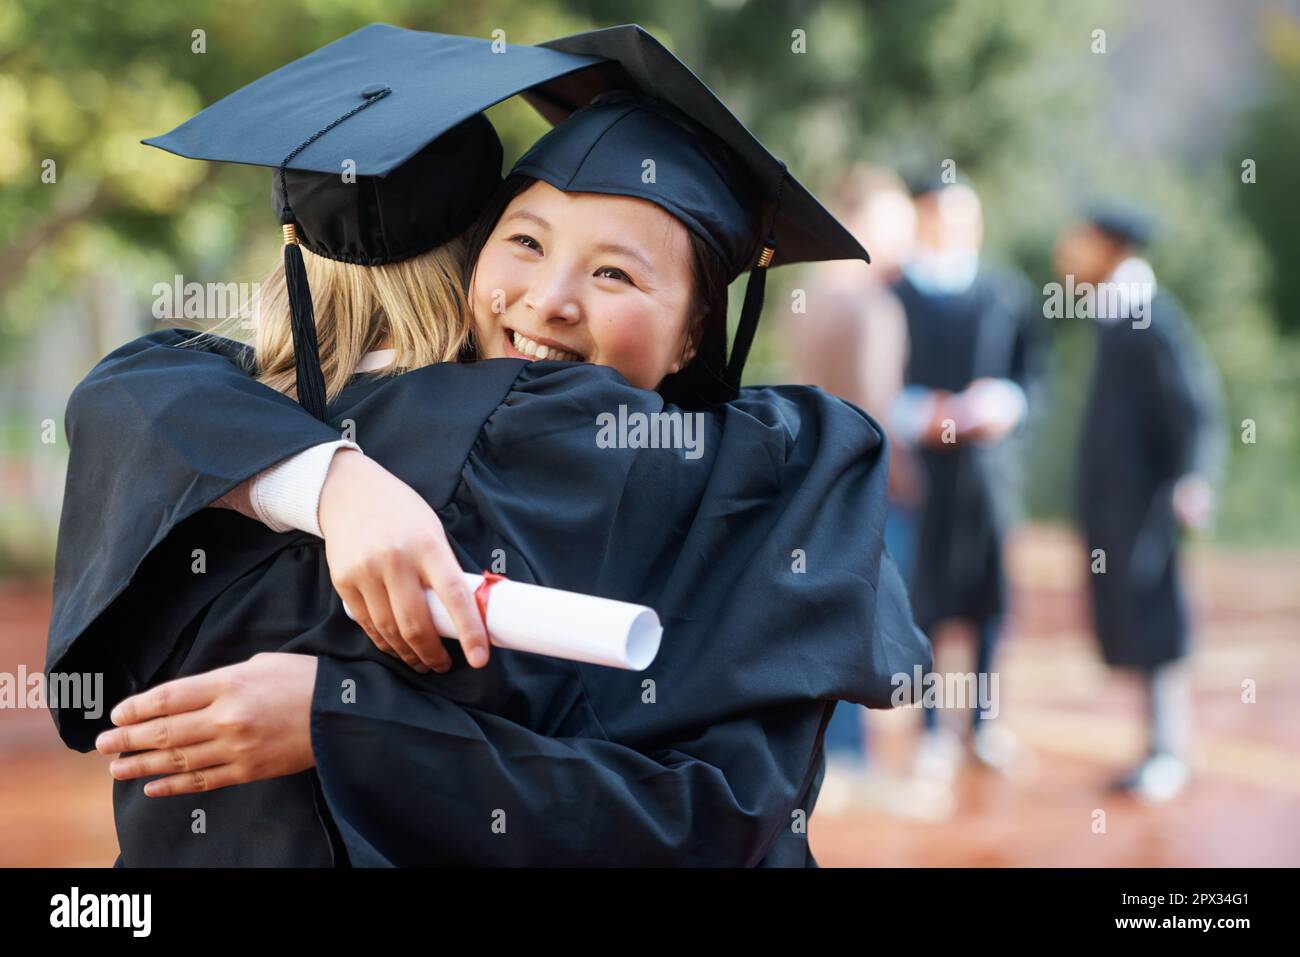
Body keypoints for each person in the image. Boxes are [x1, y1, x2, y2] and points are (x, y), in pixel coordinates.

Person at [46, 24, 931, 866]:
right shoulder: (360, 418)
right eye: (525, 243)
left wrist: (342, 719)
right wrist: (338, 485)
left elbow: (707, 825)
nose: (548, 300)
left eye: (614, 272)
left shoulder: (772, 490)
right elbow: (148, 382)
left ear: (696, 332)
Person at [1054, 202, 1224, 803]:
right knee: (1132, 615)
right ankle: (1154, 747)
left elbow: (1195, 407)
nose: (1069, 250)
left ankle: (1168, 750)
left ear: (1113, 247)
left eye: (1083, 238)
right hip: (1115, 504)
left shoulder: (1151, 316)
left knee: (1156, 617)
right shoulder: (1112, 313)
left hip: (1147, 502)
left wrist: (1192, 479)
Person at [888, 177, 1043, 785]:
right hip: (920, 479)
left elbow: (1035, 376)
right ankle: (929, 731)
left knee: (986, 605)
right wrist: (916, 412)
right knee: (923, 606)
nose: (955, 229)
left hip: (989, 479)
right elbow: (874, 377)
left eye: (965, 219)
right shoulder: (895, 293)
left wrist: (1006, 404)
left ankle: (980, 724)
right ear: (922, 220)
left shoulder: (1005, 291)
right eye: (942, 218)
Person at [786, 166, 917, 806]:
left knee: (828, 627)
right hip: (873, 490)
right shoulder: (874, 302)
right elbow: (880, 414)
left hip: (815, 481)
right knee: (878, 630)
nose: (908, 241)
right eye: (898, 225)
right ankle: (869, 771)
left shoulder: (806, 291)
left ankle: (832, 763)